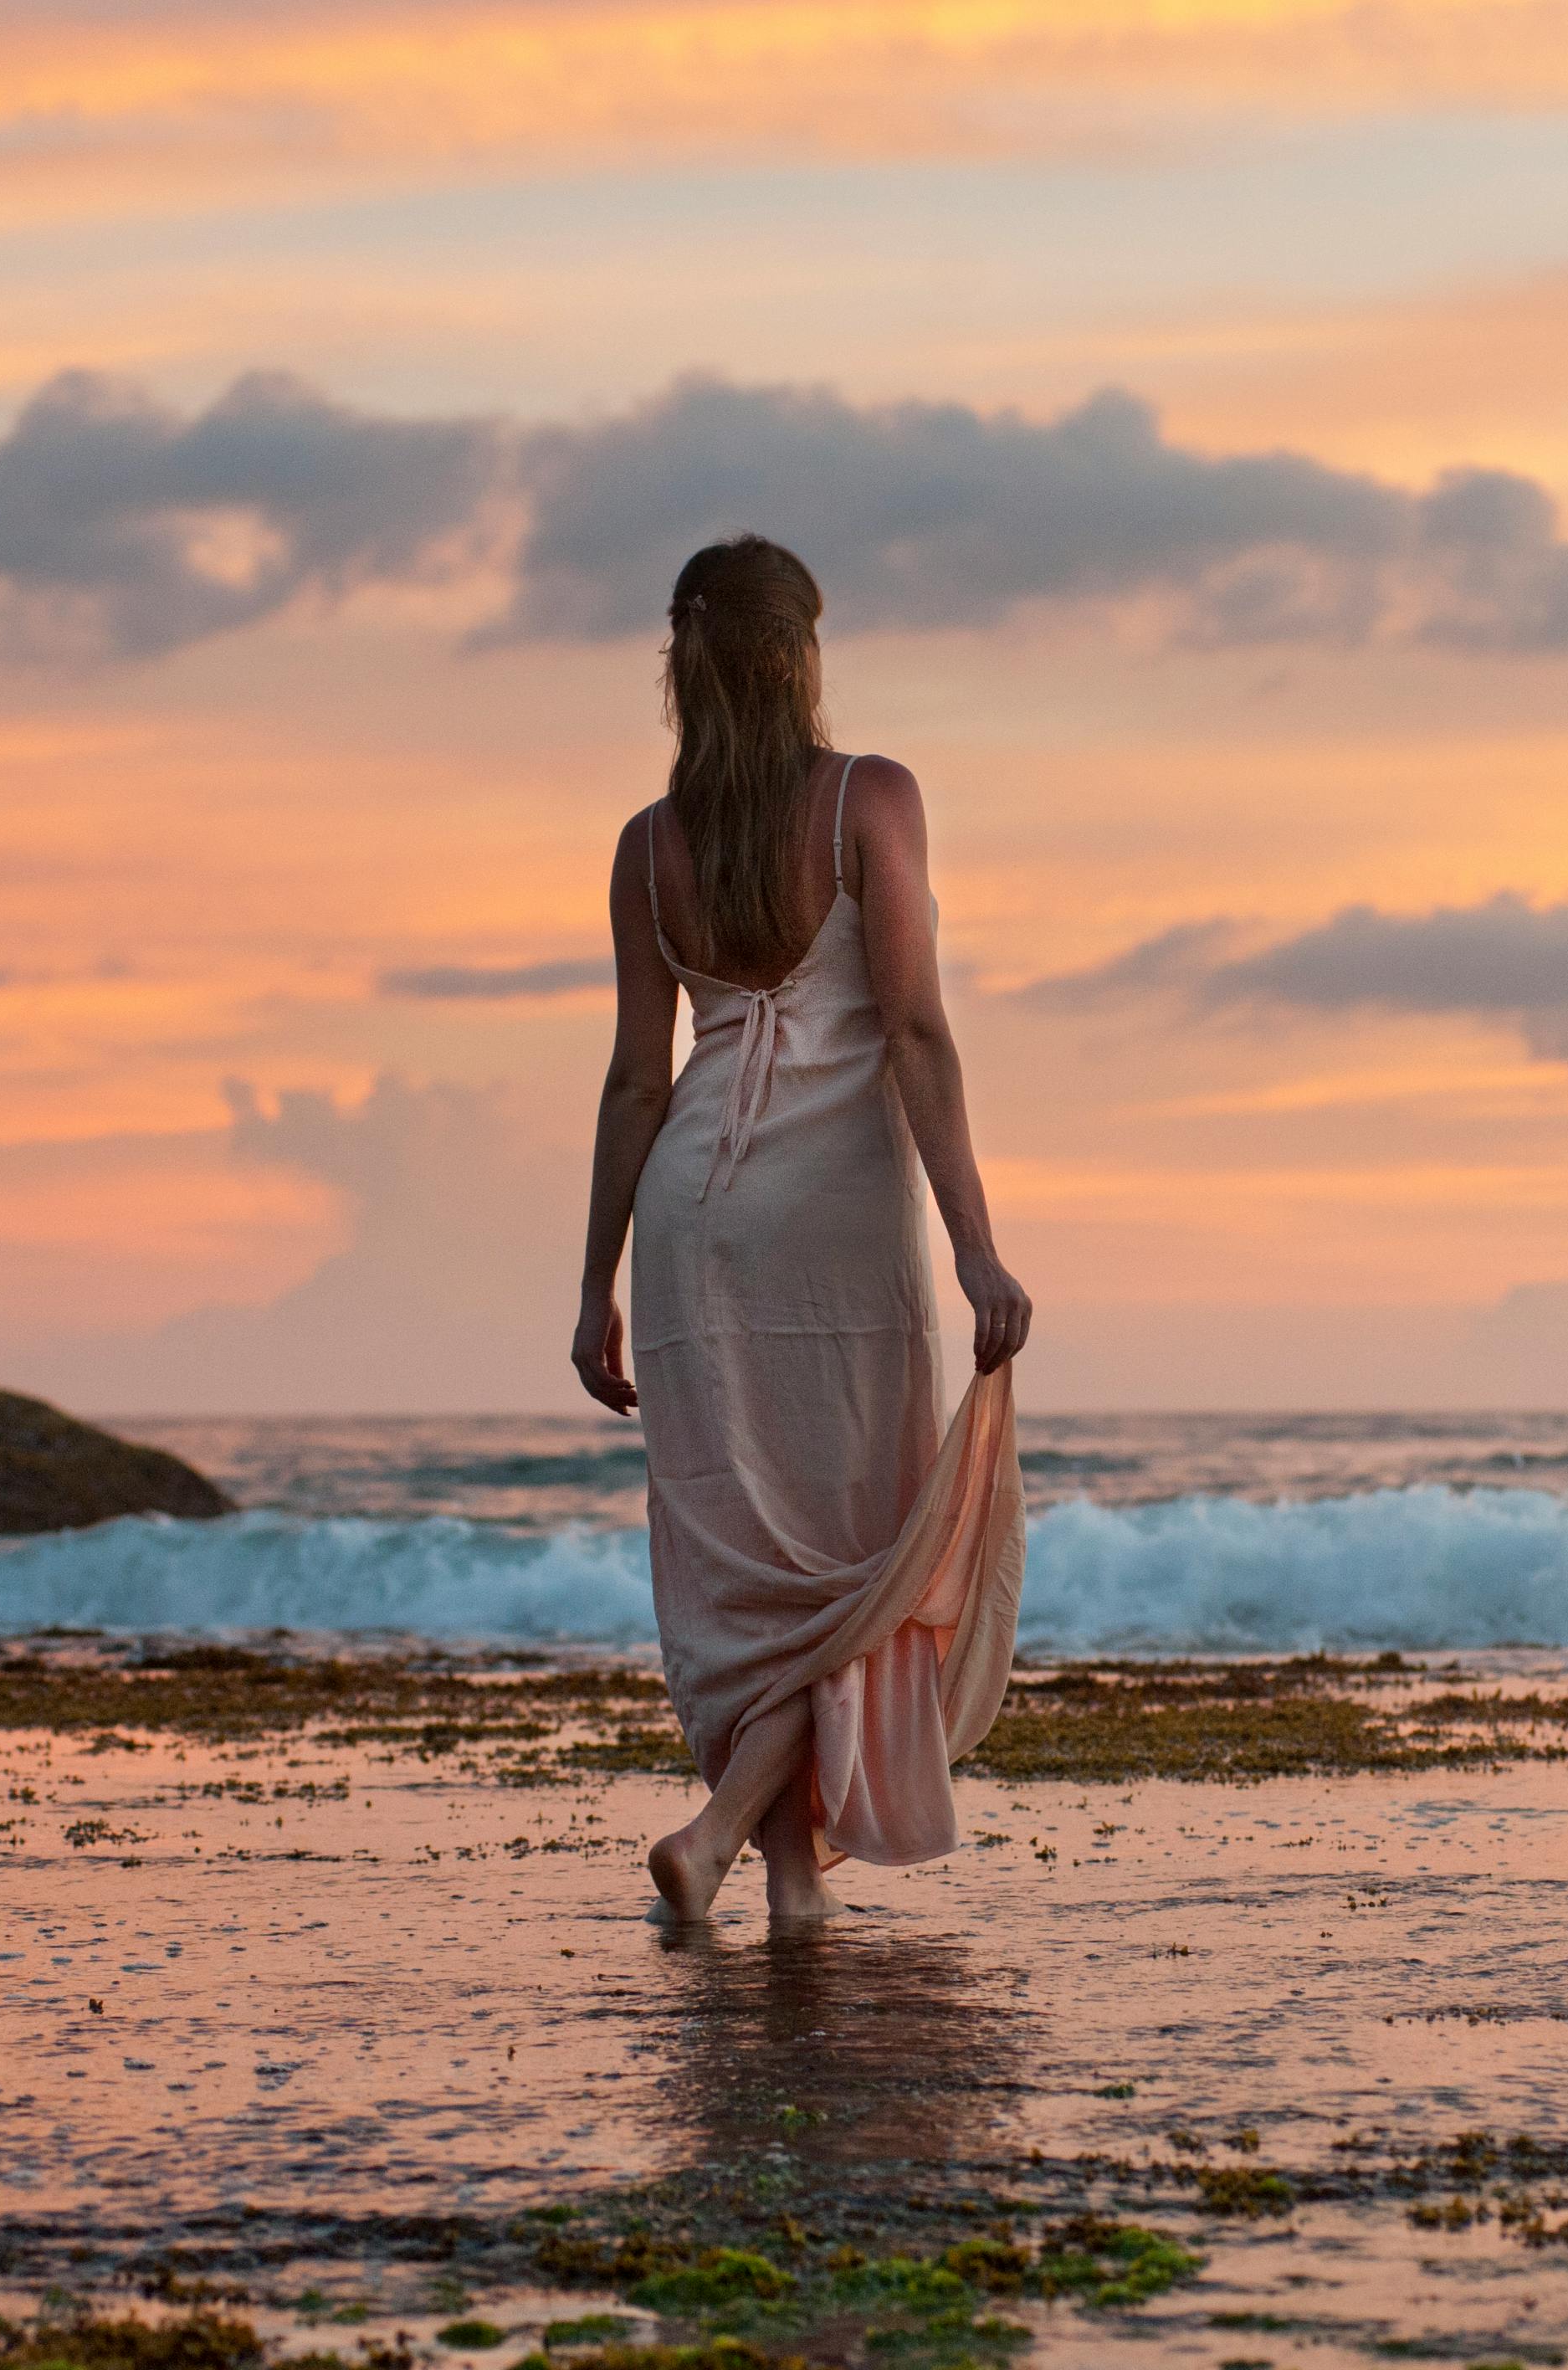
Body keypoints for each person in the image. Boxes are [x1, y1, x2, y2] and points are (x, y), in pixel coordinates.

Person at [569, 534, 1033, 1927]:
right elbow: (915, 1031)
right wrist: (975, 1245)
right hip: (834, 1223)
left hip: (691, 1224)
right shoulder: (867, 799)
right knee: (870, 1559)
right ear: (799, 656)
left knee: (754, 1570)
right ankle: (720, 1830)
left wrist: (593, 1284)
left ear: (686, 667)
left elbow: (637, 1081)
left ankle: (783, 1881)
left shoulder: (648, 847)